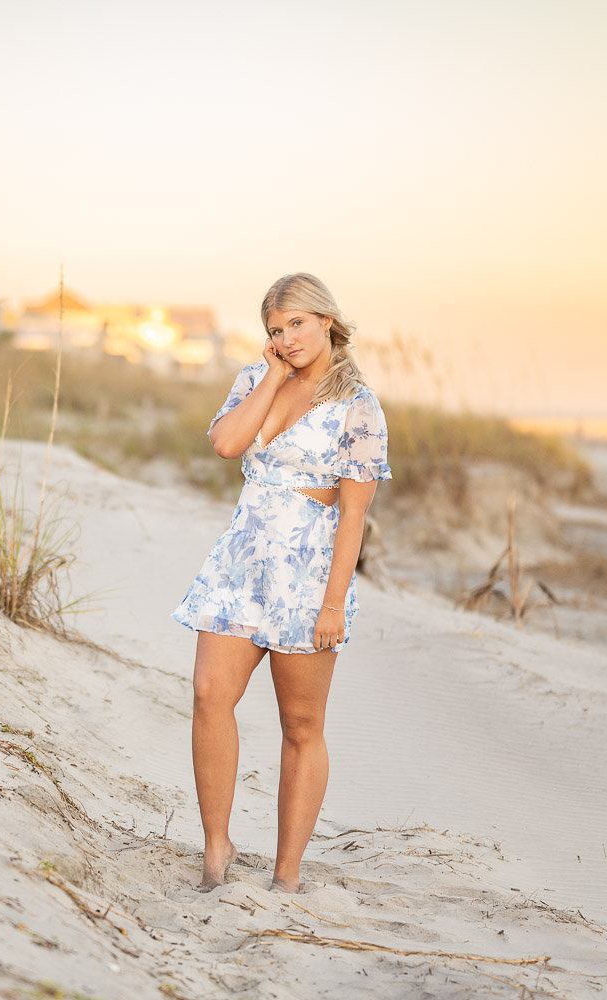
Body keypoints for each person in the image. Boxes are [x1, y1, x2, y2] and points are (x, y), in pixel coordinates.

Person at [172, 273, 391, 893]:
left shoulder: (359, 407)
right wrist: (271, 376)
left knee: (300, 725)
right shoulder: (255, 379)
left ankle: (287, 875)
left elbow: (354, 516)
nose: (287, 337)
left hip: (307, 575)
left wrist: (332, 605)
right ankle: (216, 849)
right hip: (240, 564)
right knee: (210, 695)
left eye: (297, 323)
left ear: (327, 321)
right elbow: (226, 444)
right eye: (275, 329)